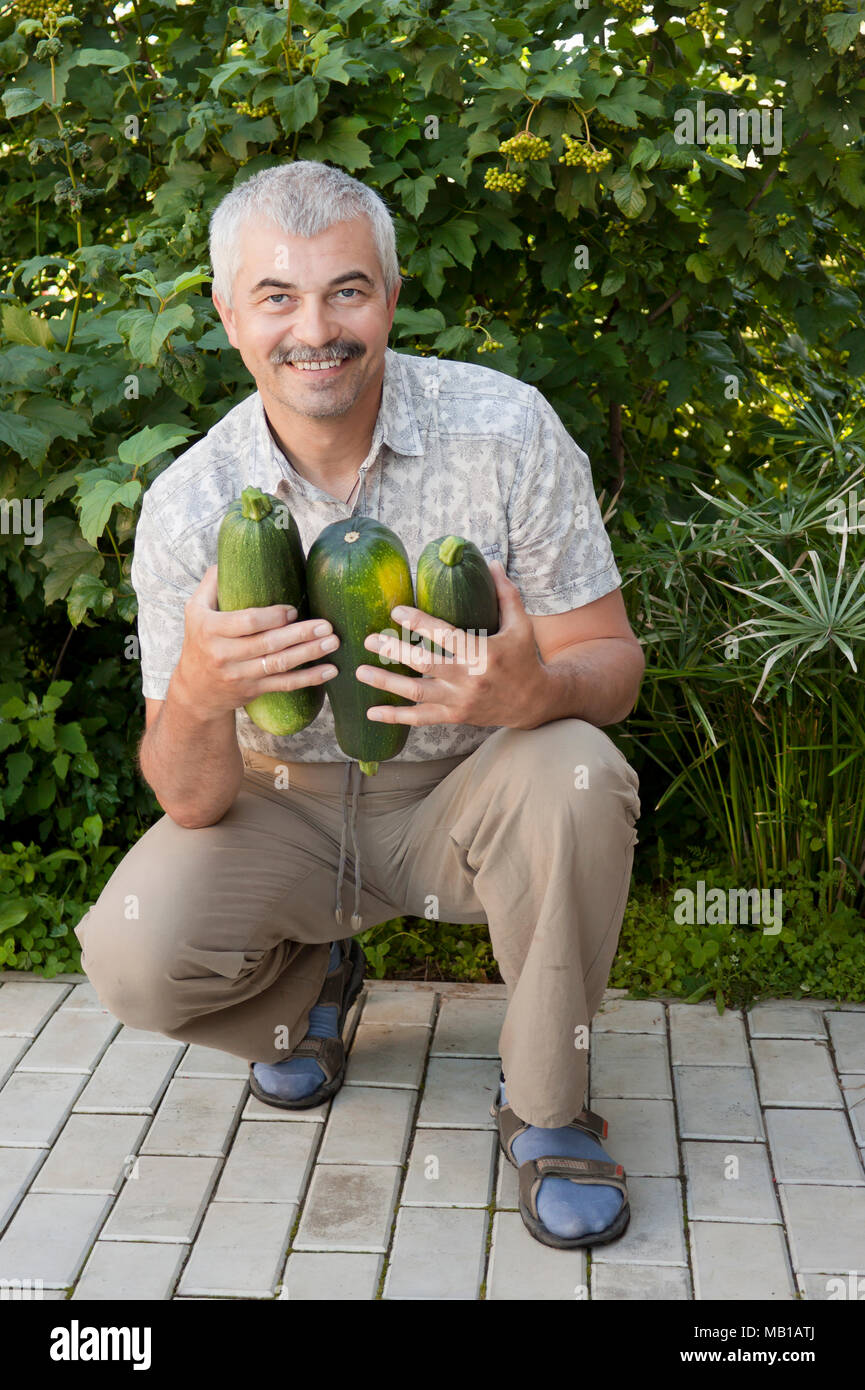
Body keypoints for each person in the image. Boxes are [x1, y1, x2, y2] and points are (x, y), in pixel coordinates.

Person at [75, 160, 644, 1253]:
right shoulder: (191, 504)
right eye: (277, 297)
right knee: (131, 958)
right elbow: (189, 800)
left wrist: (538, 687)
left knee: (578, 765)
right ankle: (313, 989)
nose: (315, 328)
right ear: (229, 316)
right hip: (279, 805)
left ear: (388, 293)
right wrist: (196, 686)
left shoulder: (506, 430)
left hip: (471, 791)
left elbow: (613, 664)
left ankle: (548, 1110)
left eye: (346, 289)